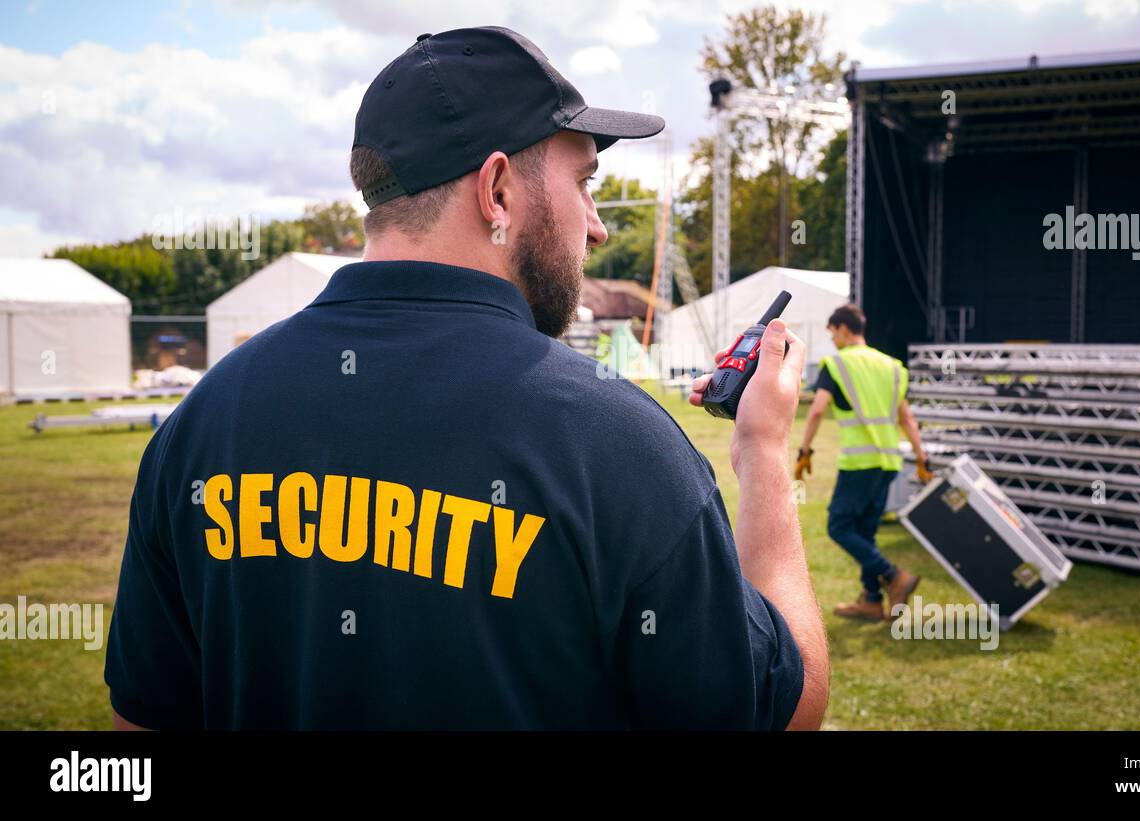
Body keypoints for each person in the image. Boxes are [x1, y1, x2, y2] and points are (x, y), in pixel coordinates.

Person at [103, 26, 828, 730]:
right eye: (585, 183)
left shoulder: (205, 420)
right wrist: (762, 453)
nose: (598, 227)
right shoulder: (618, 444)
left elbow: (144, 719)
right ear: (500, 192)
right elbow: (785, 708)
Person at [795, 304, 931, 621]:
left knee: (839, 526)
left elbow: (816, 410)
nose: (832, 341)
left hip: (859, 462)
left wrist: (804, 451)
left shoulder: (837, 364)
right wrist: (922, 458)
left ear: (843, 328)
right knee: (866, 531)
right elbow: (906, 418)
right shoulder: (891, 366)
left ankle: (894, 575)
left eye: (832, 334)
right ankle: (872, 599)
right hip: (889, 462)